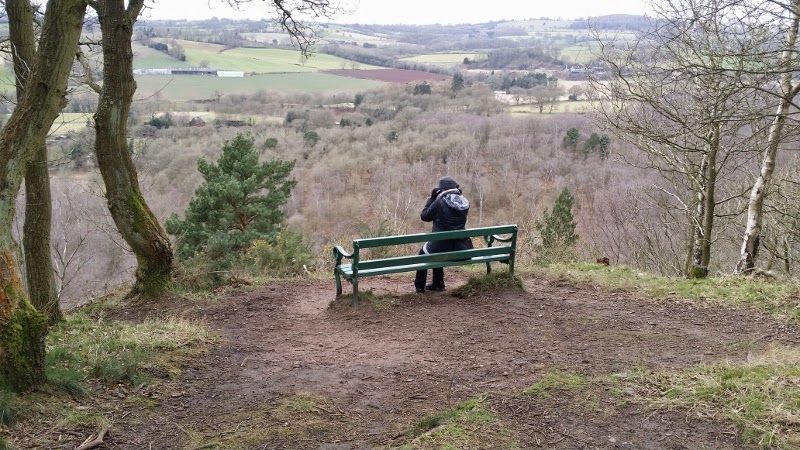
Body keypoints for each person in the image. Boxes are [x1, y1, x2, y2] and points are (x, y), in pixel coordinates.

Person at [414, 176, 473, 293]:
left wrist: (432, 199)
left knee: (425, 253)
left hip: (441, 247)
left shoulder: (439, 202)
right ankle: (438, 284)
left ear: (442, 190)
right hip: (461, 248)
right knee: (435, 248)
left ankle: (420, 286)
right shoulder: (465, 202)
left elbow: (424, 216)